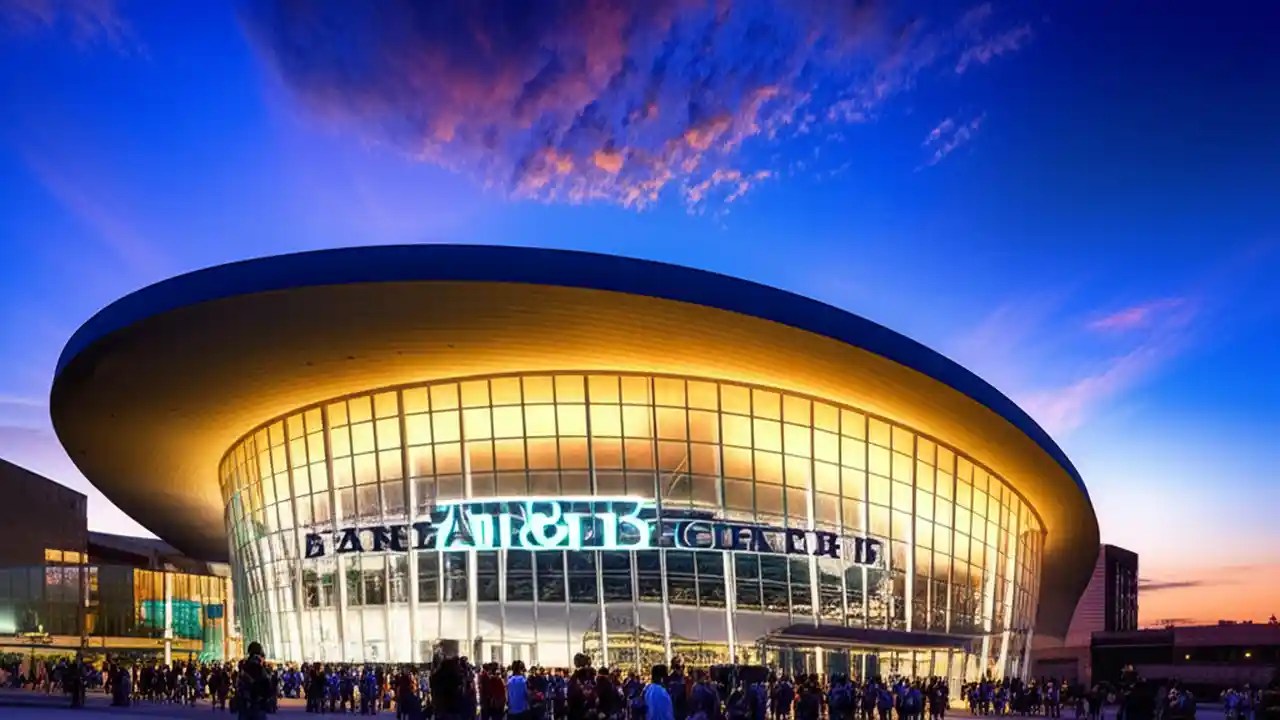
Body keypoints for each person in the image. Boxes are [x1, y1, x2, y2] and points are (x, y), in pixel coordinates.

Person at [236, 642, 275, 720]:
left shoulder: (244, 666)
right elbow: (267, 683)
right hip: (257, 701)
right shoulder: (259, 666)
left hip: (245, 702)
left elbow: (238, 684)